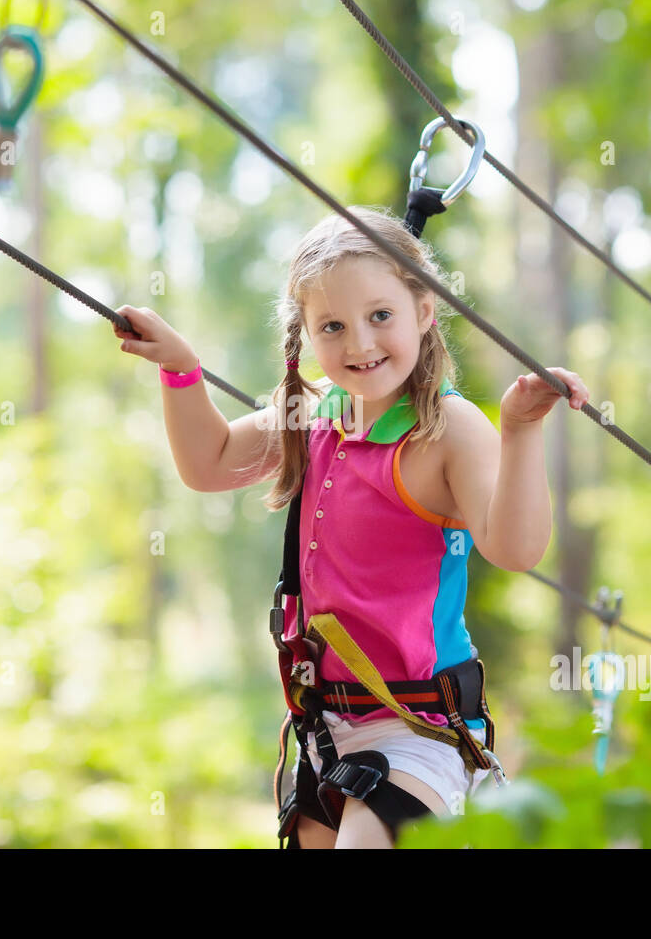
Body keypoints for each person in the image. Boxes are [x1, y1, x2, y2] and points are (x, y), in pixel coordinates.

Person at [113, 206, 590, 848]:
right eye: (332, 326)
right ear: (306, 334)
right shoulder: (312, 409)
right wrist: (180, 368)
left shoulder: (448, 431)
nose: (360, 344)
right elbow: (212, 462)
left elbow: (515, 547)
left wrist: (522, 429)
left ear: (425, 311)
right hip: (325, 725)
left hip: (418, 726)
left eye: (381, 316)